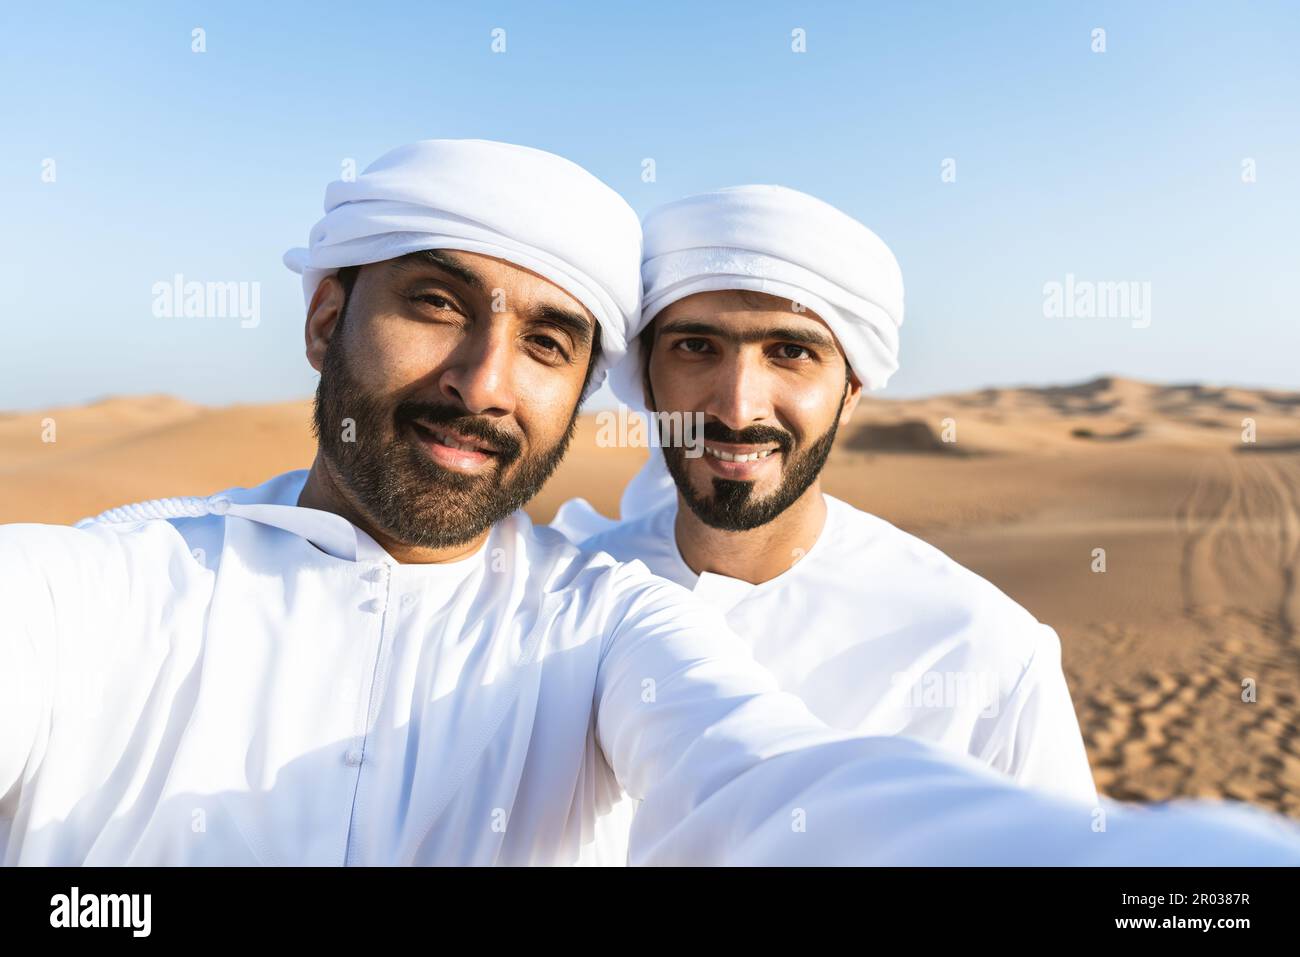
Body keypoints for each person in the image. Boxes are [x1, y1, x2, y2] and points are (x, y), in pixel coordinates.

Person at [3, 143, 1299, 867]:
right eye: (437, 304)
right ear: (328, 315)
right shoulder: (104, 592)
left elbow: (785, 784)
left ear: (855, 391)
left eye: (551, 338)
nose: (482, 383)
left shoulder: (603, 625)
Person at [554, 185, 1094, 865]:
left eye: (791, 352)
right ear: (649, 377)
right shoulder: (564, 602)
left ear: (851, 390)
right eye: (697, 346)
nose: (738, 404)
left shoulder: (984, 649)